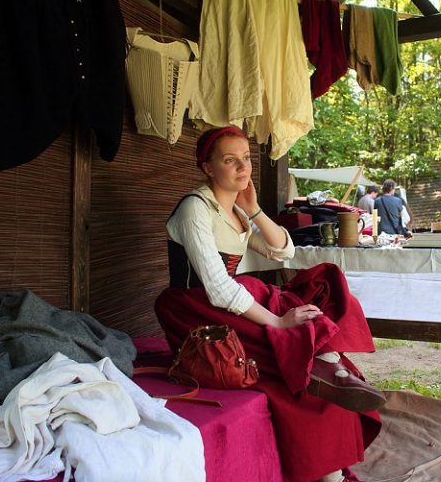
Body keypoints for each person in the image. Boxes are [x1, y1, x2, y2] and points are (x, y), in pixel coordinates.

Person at [155, 126, 383, 482]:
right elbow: (218, 288)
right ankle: (321, 369)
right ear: (207, 167)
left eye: (246, 158)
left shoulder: (237, 211)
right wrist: (277, 322)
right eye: (230, 160)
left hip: (227, 299)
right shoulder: (194, 209)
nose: (242, 167)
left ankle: (326, 361)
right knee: (289, 355)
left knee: (325, 281)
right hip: (195, 311)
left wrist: (255, 210)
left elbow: (283, 251)